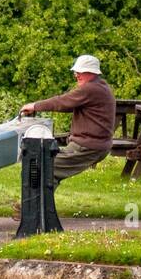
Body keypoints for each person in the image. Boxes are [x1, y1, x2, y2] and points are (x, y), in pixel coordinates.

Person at [21, 54, 116, 184]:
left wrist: (35, 106)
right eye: (76, 72)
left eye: (80, 72)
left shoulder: (90, 89)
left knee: (44, 168)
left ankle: (33, 204)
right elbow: (68, 105)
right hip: (94, 145)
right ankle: (37, 204)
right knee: (46, 168)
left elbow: (62, 102)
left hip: (87, 147)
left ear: (92, 73)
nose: (76, 75)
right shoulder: (101, 86)